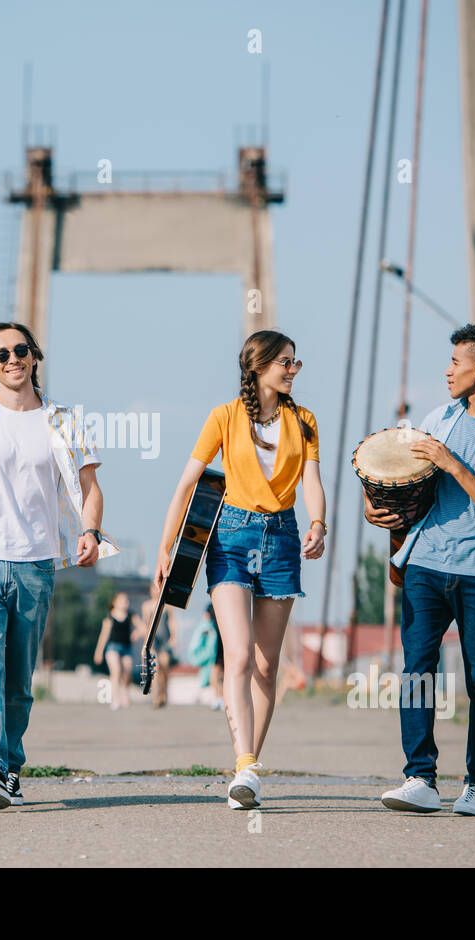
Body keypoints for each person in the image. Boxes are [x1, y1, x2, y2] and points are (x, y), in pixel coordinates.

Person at [0, 321, 119, 810]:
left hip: (34, 564)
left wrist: (90, 532)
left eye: (21, 350)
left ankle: (9, 768)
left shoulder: (64, 421)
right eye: (1, 354)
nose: (12, 358)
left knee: (18, 678)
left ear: (34, 357)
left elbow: (90, 488)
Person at [364, 324, 475, 817]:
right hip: (424, 564)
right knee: (418, 670)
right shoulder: (435, 419)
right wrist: (374, 508)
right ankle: (419, 778)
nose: (447, 371)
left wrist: (455, 463)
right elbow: (395, 479)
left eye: (456, 363)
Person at [154, 330, 326, 809]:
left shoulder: (305, 420)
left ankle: (250, 765)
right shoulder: (224, 417)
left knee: (268, 667)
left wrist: (318, 522)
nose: (294, 370)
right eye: (285, 363)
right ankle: (245, 764)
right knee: (240, 658)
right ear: (259, 366)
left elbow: (312, 479)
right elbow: (187, 483)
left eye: (296, 362)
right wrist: (165, 548)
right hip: (229, 537)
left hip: (283, 538)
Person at [93, 591, 140, 710]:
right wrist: (98, 652)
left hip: (126, 648)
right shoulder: (109, 617)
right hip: (112, 647)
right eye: (123, 600)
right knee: (116, 671)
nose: (126, 603)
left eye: (127, 600)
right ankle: (116, 700)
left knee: (127, 673)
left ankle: (125, 696)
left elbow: (143, 627)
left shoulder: (131, 615)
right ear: (115, 602)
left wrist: (136, 633)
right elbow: (103, 636)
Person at [139, 592, 179, 707]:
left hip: (165, 639)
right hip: (153, 640)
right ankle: (156, 696)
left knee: (165, 666)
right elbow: (145, 623)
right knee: (155, 667)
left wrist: (174, 637)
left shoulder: (168, 605)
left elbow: (172, 621)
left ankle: (164, 692)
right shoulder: (146, 606)